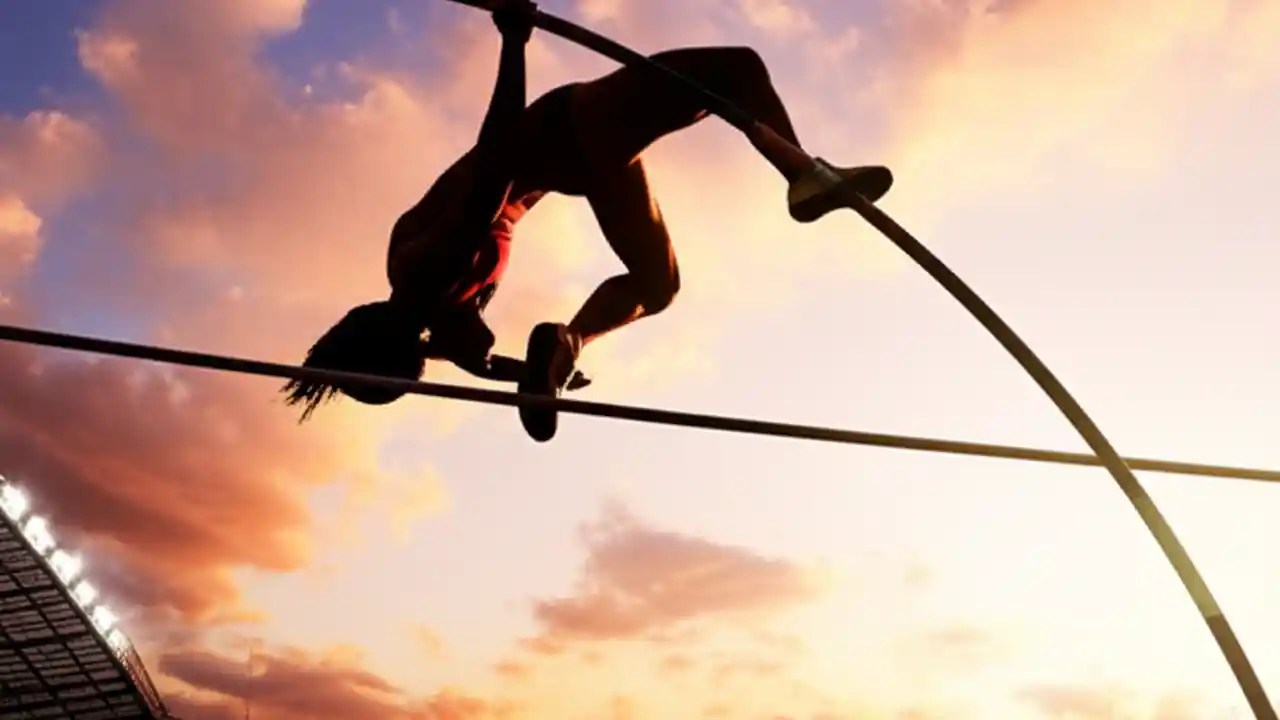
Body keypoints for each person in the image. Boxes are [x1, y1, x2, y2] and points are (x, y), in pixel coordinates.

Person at [281, 0, 892, 440]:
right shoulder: (435, 312)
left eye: (408, 374)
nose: (427, 367)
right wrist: (534, 375)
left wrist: (514, 40)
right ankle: (567, 343)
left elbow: (495, 164)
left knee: (658, 281)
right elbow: (487, 360)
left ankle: (803, 177)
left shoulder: (426, 272)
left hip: (564, 142)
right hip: (571, 137)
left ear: (396, 349)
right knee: (735, 74)